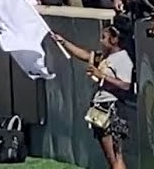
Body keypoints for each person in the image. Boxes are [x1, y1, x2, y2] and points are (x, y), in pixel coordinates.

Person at [53, 25, 133, 169]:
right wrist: (64, 42)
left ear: (114, 39)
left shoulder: (122, 58)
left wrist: (101, 75)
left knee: (116, 155)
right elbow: (85, 55)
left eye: (104, 37)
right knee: (110, 156)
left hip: (112, 108)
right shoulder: (105, 56)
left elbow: (126, 85)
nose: (100, 41)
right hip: (100, 107)